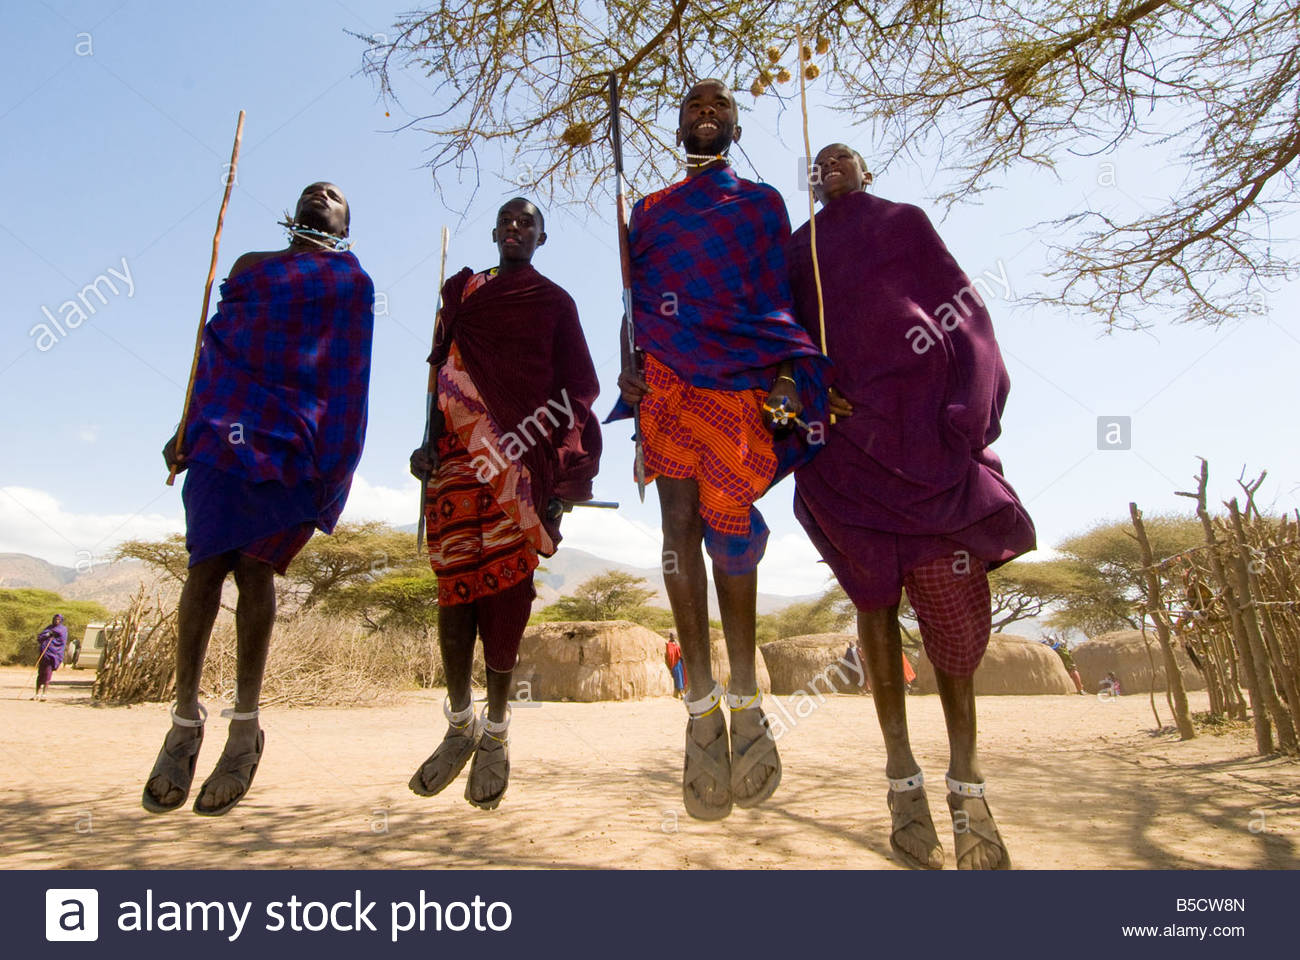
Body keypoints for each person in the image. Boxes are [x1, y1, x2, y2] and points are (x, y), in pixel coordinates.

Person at [788, 143, 1036, 869]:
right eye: (821, 161)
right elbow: (780, 335)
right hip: (843, 450)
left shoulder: (905, 221)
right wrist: (806, 389)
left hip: (925, 435)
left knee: (953, 623)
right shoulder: (798, 247)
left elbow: (964, 310)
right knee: (873, 607)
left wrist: (969, 406)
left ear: (867, 170)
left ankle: (968, 783)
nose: (832, 164)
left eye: (845, 157)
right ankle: (902, 778)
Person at [611, 79, 829, 820]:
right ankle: (699, 704)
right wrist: (628, 367)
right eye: (695, 105)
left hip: (739, 378)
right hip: (668, 378)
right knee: (676, 529)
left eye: (720, 106)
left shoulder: (763, 204)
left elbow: (779, 297)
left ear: (735, 127)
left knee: (728, 528)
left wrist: (789, 376)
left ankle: (746, 696)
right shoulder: (649, 210)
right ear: (679, 127)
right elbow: (633, 303)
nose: (707, 111)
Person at [147, 182, 374, 816]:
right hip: (224, 432)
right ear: (293, 212)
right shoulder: (252, 269)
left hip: (296, 444)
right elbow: (214, 355)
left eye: (333, 195)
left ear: (345, 225)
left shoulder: (351, 284)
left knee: (254, 570)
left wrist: (335, 460)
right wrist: (186, 425)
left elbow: (348, 376)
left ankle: (244, 728)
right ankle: (184, 720)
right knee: (205, 566)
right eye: (311, 191)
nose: (321, 193)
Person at [408, 197, 601, 810]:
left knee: (506, 591)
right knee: (454, 588)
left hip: (520, 464)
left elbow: (581, 388)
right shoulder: (462, 294)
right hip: (457, 460)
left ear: (542, 238)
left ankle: (496, 730)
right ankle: (459, 719)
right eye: (508, 221)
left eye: (529, 223)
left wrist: (562, 478)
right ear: (495, 232)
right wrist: (426, 445)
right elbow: (442, 373)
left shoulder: (554, 302)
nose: (516, 229)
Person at [34, 614, 68, 700]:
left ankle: (44, 694)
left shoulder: (63, 629)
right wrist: (48, 634)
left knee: (47, 674)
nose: (56, 621)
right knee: (40, 674)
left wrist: (53, 634)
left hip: (52, 655)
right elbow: (40, 637)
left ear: (61, 620)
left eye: (58, 620)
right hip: (44, 654)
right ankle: (37, 694)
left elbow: (61, 639)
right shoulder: (48, 628)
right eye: (55, 619)